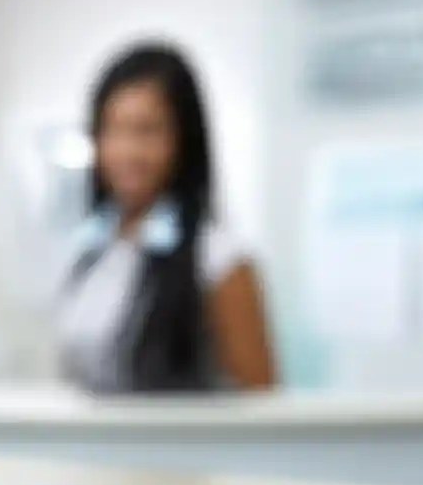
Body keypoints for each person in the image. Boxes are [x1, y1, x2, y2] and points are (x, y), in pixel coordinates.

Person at [57, 43, 277, 392]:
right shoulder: (92, 251)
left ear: (183, 141)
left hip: (182, 446)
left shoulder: (219, 258)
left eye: (147, 131)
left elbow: (263, 404)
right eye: (112, 131)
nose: (127, 151)